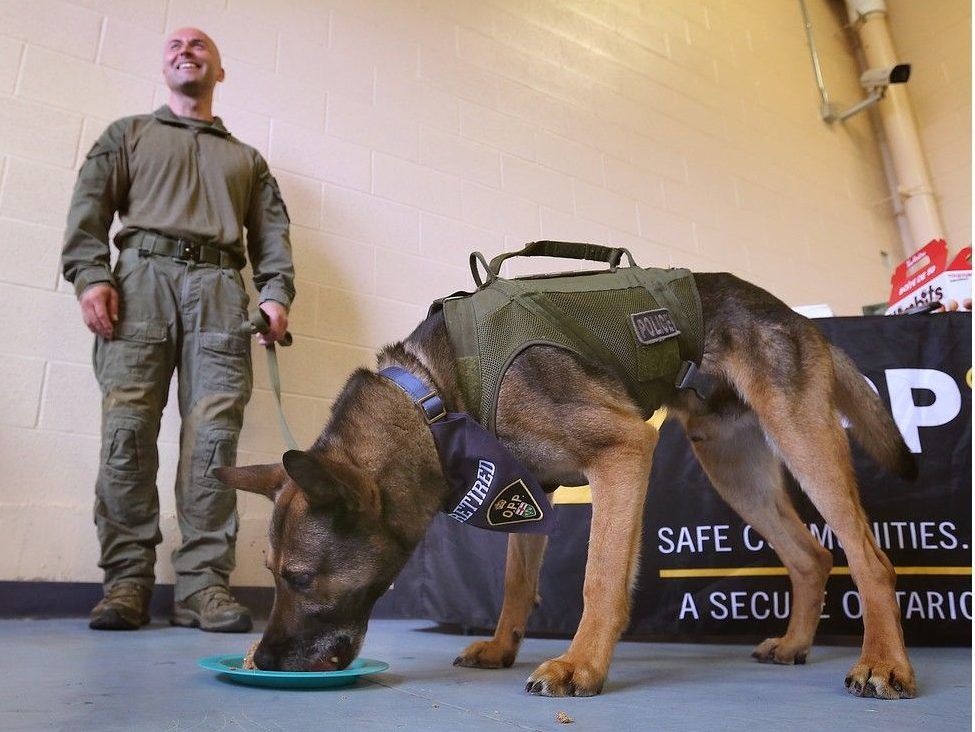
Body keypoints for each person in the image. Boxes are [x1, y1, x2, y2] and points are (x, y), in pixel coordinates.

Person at [60, 28, 295, 632]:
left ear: (219, 71)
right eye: (174, 46)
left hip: (220, 291)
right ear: (166, 67)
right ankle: (126, 585)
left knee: (214, 441)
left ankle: (202, 587)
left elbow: (271, 236)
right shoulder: (129, 135)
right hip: (139, 283)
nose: (185, 50)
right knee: (127, 432)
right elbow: (88, 212)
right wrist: (91, 277)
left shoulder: (246, 160)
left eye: (200, 46)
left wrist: (274, 295)